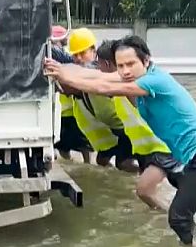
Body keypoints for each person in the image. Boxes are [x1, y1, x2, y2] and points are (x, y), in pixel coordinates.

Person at [43, 35, 196, 246]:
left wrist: (64, 75)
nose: (125, 70)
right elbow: (97, 75)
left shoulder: (153, 81)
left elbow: (103, 86)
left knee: (178, 217)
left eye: (130, 64)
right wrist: (62, 68)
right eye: (120, 65)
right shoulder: (136, 76)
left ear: (146, 61)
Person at [94, 40, 179, 211]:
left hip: (160, 146)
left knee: (144, 191)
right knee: (173, 186)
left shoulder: (135, 86)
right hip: (144, 149)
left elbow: (99, 83)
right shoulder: (120, 87)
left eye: (99, 64)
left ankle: (170, 216)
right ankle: (187, 210)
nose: (98, 69)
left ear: (107, 63)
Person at [61, 29, 136, 171]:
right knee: (102, 160)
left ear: (93, 51)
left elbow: (87, 73)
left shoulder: (100, 71)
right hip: (112, 129)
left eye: (82, 53)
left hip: (126, 128)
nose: (78, 58)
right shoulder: (80, 72)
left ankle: (142, 177)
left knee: (124, 164)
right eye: (75, 55)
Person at [50, 26, 92, 163]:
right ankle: (77, 164)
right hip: (66, 113)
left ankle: (81, 163)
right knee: (67, 146)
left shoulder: (65, 58)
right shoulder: (59, 56)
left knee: (80, 144)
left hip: (70, 113)